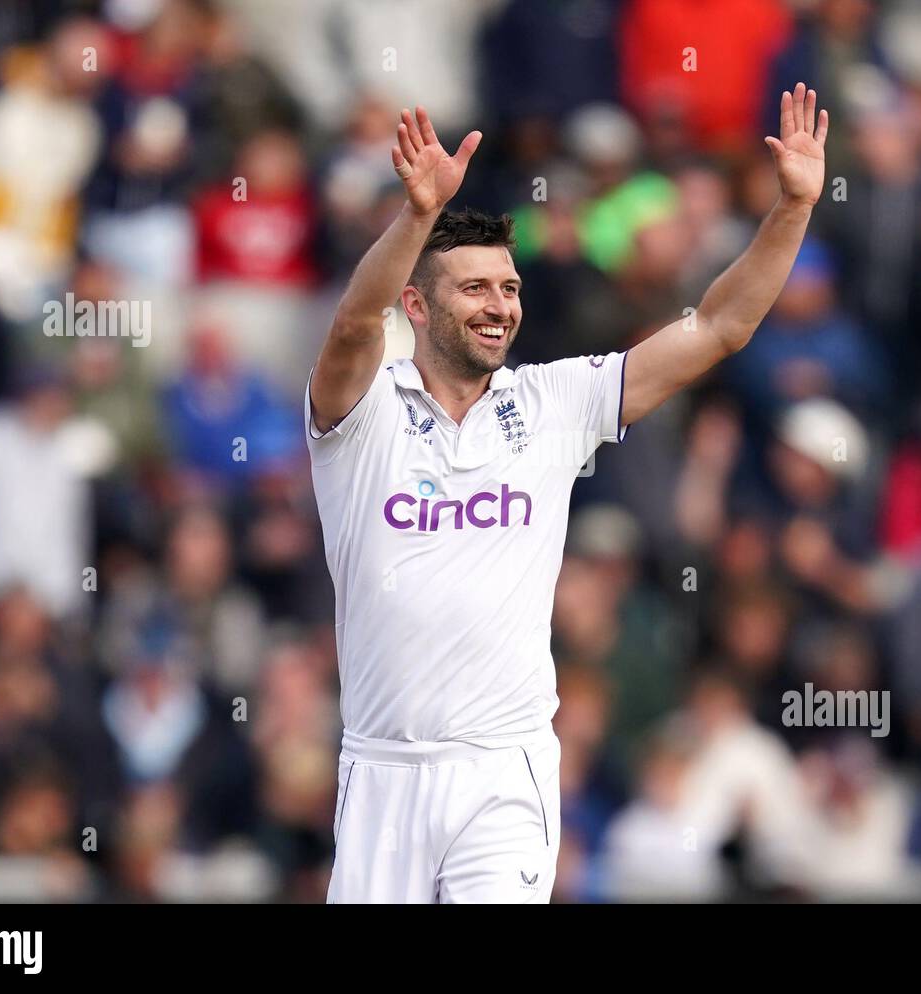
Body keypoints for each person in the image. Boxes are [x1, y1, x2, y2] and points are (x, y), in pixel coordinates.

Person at [307, 87, 829, 903]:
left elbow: (720, 327)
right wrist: (414, 219)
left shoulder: (551, 402)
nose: (500, 306)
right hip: (384, 768)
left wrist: (793, 208)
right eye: (474, 288)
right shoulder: (362, 413)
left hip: (504, 767)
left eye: (509, 289)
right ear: (417, 303)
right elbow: (349, 329)